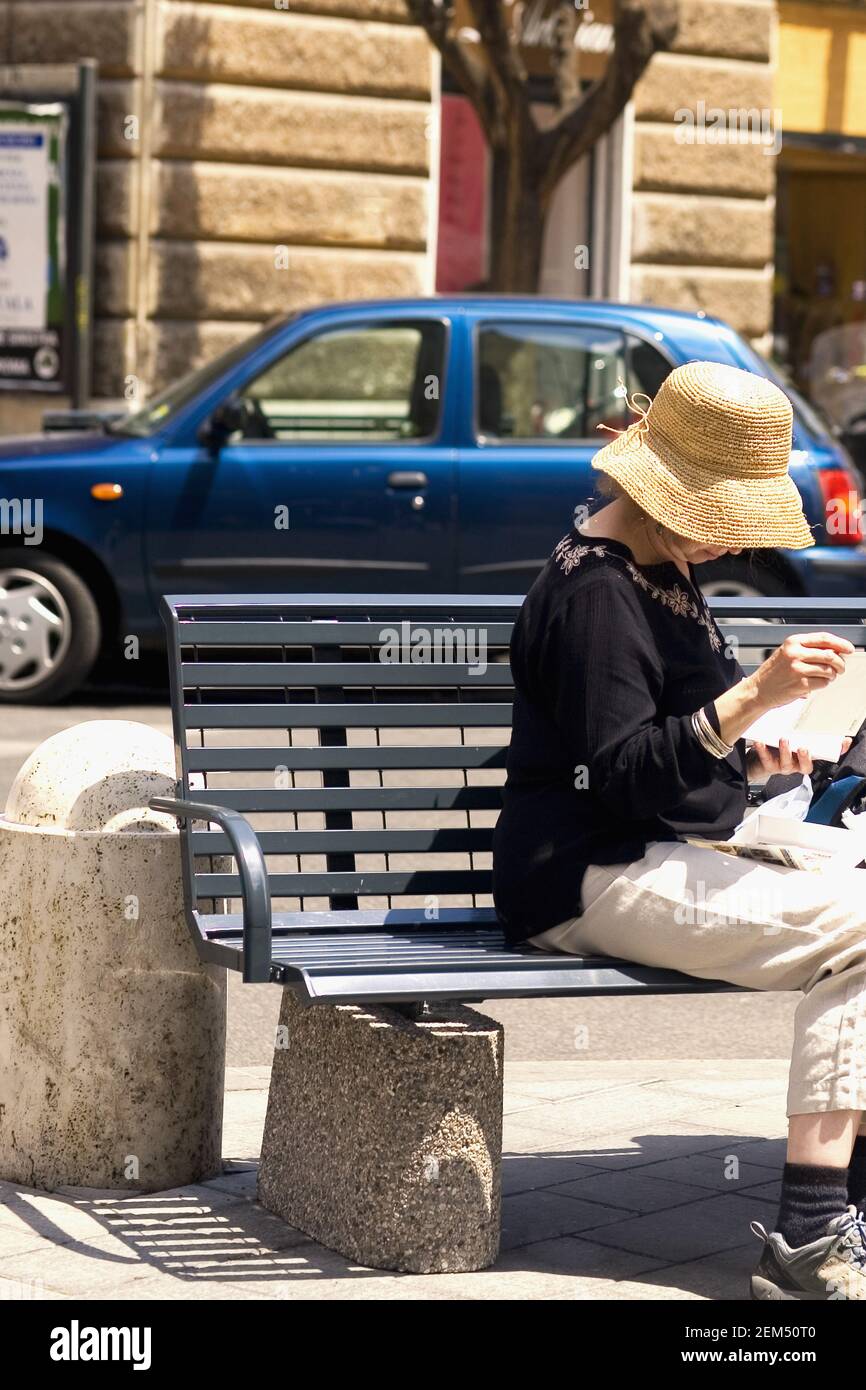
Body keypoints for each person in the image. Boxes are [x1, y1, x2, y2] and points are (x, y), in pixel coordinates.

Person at [492, 360, 866, 1301]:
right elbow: (615, 779)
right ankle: (813, 1240)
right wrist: (754, 696)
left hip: (656, 848)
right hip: (584, 874)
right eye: (716, 518)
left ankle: (836, 1215)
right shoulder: (595, 594)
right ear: (662, 490)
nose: (726, 546)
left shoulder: (658, 568)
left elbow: (679, 752)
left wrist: (758, 751)